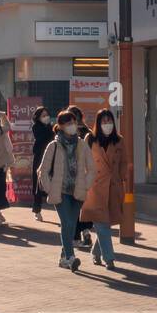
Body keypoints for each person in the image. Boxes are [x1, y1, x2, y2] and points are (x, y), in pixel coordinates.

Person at [37, 110, 93, 271]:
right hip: (60, 191)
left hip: (78, 191)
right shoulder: (53, 146)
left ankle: (63, 257)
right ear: (60, 126)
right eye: (68, 123)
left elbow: (92, 169)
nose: (72, 126)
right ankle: (70, 256)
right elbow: (43, 170)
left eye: (74, 122)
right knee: (67, 223)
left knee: (70, 225)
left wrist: (86, 185)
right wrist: (50, 189)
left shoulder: (82, 144)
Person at [80, 109, 129, 272]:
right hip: (95, 187)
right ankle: (109, 258)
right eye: (104, 121)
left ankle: (96, 252)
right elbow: (83, 161)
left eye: (109, 121)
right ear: (98, 123)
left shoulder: (119, 140)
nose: (107, 124)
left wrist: (122, 177)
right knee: (102, 224)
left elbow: (124, 162)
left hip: (114, 186)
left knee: (105, 224)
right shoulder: (90, 139)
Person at [68, 105, 95, 250]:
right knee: (83, 206)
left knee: (73, 207)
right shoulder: (88, 132)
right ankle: (85, 231)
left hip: (73, 174)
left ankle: (76, 237)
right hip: (86, 174)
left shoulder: (69, 133)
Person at [31, 107, 55, 222]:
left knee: (53, 182)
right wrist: (50, 129)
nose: (46, 117)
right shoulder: (36, 127)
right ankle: (37, 210)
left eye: (47, 114)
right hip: (40, 157)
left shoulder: (51, 127)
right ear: (38, 117)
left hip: (52, 157)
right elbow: (42, 138)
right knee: (38, 184)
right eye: (43, 115)